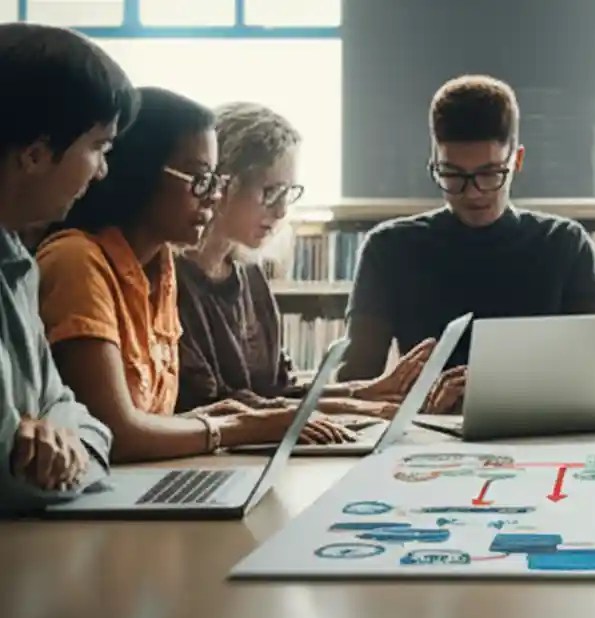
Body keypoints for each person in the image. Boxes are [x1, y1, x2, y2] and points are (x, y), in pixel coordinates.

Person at [36, 86, 354, 464]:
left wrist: (213, 418)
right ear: (143, 170)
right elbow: (116, 432)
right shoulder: (77, 259)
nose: (214, 197)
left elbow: (157, 419)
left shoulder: (162, 268)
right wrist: (241, 425)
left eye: (217, 183)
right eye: (202, 179)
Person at [339, 74, 595, 409]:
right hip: (427, 432)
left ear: (517, 160)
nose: (473, 192)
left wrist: (508, 389)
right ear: (433, 165)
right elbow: (356, 381)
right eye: (452, 175)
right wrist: (407, 401)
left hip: (541, 429)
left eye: (490, 174)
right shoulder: (389, 248)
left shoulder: (565, 244)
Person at [174, 101, 448, 417]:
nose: (281, 211)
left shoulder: (250, 276)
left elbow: (278, 392)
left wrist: (365, 392)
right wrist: (351, 402)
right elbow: (211, 407)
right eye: (270, 192)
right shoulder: (172, 279)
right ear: (224, 183)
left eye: (289, 193)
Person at [0, 23, 135, 509]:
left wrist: (55, 437)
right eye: (98, 146)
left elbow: (83, 420)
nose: (102, 170)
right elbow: (10, 478)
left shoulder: (16, 263)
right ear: (35, 154)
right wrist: (44, 448)